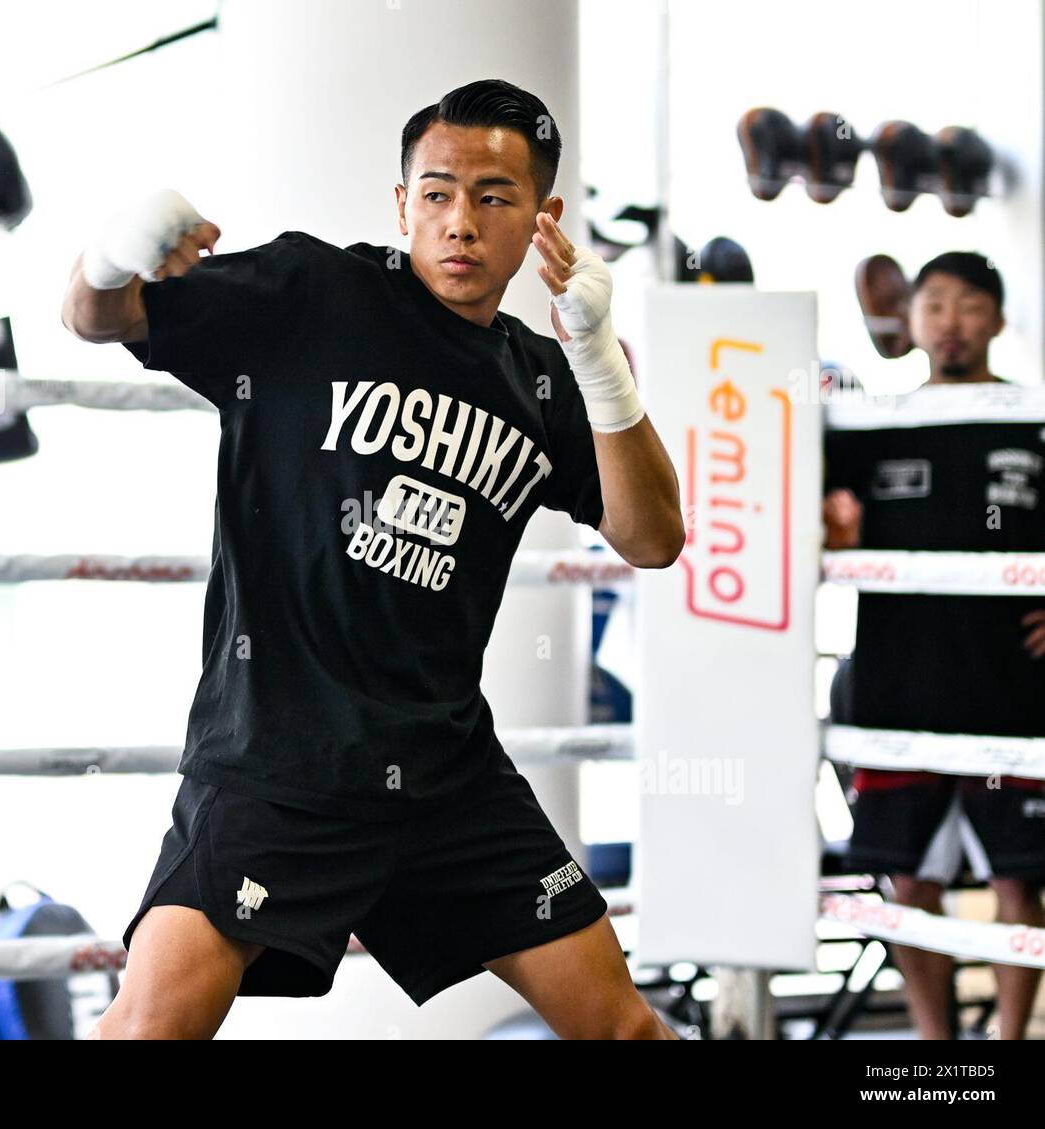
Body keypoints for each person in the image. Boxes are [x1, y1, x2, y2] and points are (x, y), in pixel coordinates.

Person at [61, 79, 685, 1039]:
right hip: (278, 763)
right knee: (150, 1026)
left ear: (543, 219)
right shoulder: (313, 294)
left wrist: (601, 361)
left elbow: (654, 537)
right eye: (435, 194)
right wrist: (111, 251)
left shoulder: (544, 379)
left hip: (447, 777)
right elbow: (99, 316)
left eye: (493, 197)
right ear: (402, 206)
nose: (460, 223)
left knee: (624, 1026)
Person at [824, 251, 1045, 1040]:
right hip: (897, 687)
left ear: (997, 317)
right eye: (937, 304)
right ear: (911, 320)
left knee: (1022, 880)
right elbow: (801, 510)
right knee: (908, 878)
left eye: (970, 305)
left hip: (1011, 696)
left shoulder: (1031, 416)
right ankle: (934, 1049)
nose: (952, 321)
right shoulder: (868, 425)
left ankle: (1011, 1045)